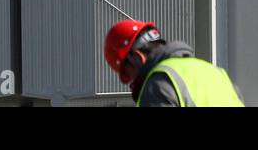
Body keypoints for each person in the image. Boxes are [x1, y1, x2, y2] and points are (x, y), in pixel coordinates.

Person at [102, 19, 244, 107]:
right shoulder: (217, 74)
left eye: (127, 73)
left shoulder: (159, 83)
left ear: (138, 58)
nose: (132, 83)